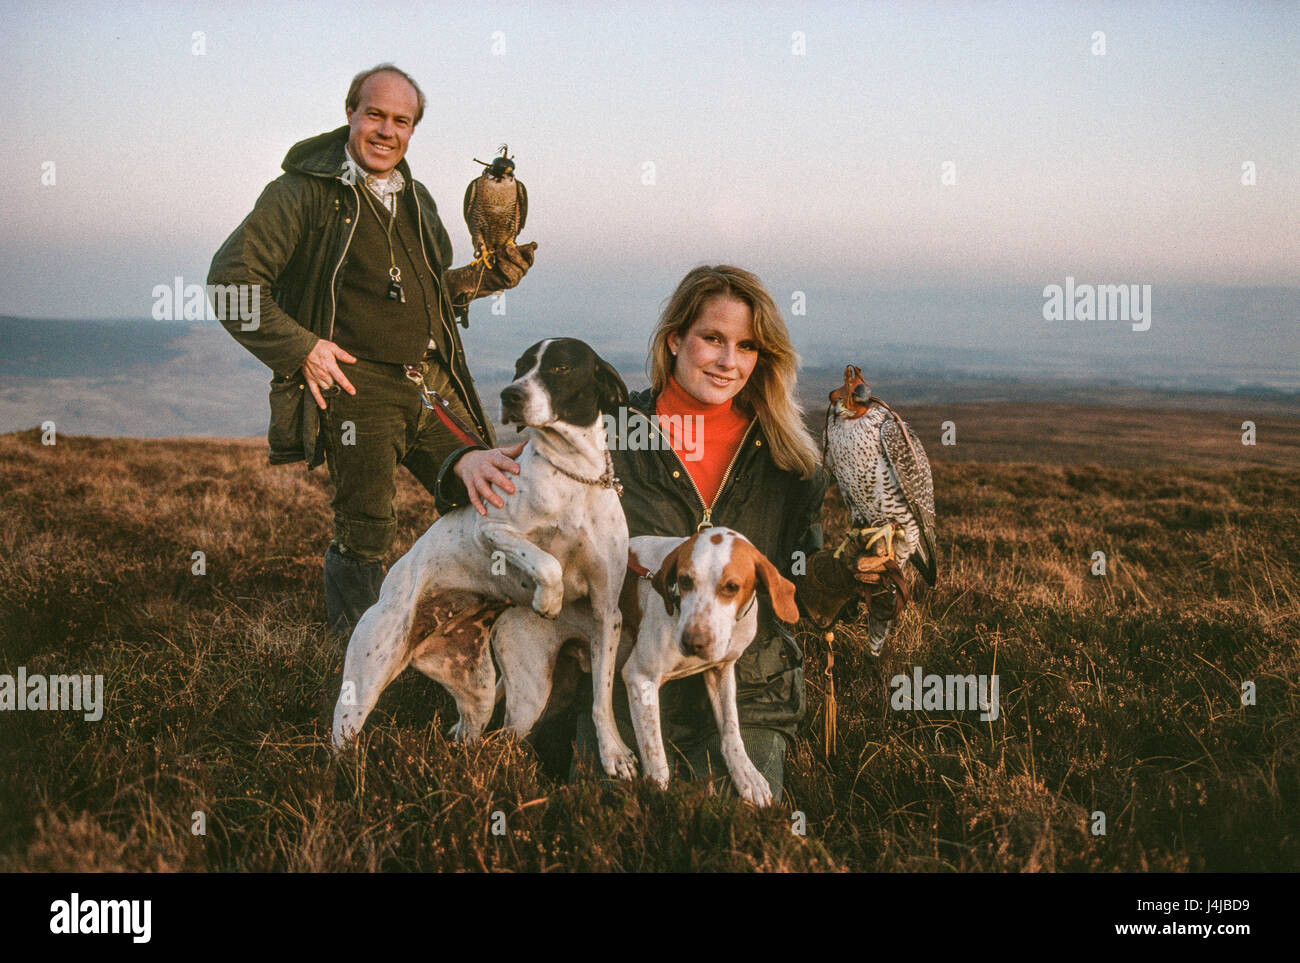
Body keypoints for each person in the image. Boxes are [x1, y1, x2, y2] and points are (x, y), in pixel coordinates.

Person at [436, 265, 877, 801]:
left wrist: (851, 581)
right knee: (611, 838)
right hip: (622, 693)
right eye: (712, 339)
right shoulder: (606, 435)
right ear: (675, 340)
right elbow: (515, 491)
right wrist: (461, 461)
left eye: (747, 346)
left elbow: (795, 588)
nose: (728, 361)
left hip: (749, 695)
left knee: (738, 843)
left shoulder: (789, 460)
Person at [208, 63, 536, 637]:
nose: (387, 130)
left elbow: (428, 292)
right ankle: (350, 672)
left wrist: (487, 280)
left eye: (401, 121)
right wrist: (302, 348)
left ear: (412, 130)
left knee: (494, 495)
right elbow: (232, 283)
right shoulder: (302, 193)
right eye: (376, 115)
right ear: (350, 114)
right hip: (357, 389)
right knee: (365, 531)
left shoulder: (419, 200)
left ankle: (474, 649)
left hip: (427, 383)